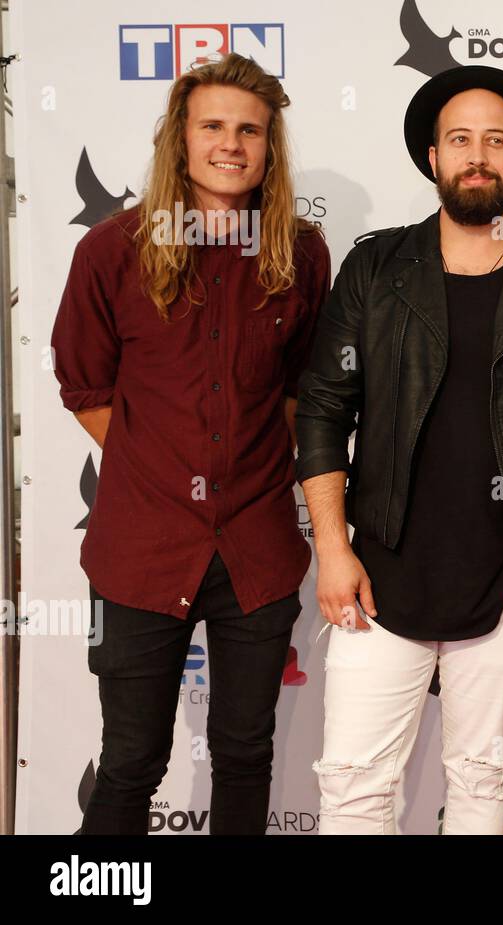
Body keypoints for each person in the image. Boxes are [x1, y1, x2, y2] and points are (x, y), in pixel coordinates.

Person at [295, 65, 503, 834]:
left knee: (482, 783)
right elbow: (325, 411)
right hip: (380, 571)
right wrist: (333, 549)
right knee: (354, 789)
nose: (477, 155)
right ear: (432, 157)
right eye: (459, 139)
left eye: (495, 141)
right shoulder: (374, 269)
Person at [53, 53, 329, 834]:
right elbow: (84, 388)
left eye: (250, 129)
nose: (231, 143)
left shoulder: (301, 254)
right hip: (140, 552)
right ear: (181, 139)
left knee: (245, 751)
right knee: (132, 758)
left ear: (270, 147)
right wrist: (159, 467)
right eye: (213, 125)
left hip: (257, 550)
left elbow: (296, 393)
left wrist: (239, 469)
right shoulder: (112, 250)